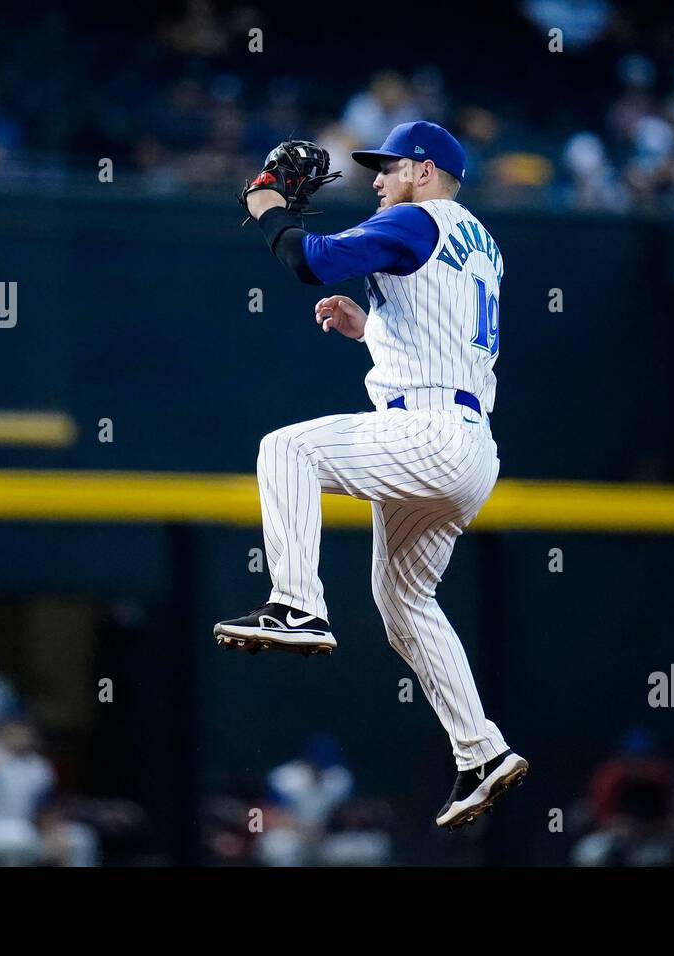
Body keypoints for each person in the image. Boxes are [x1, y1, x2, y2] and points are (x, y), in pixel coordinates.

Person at [215, 121, 527, 829]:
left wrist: (266, 200)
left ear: (422, 170)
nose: (377, 182)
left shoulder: (416, 219)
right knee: (404, 602)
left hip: (428, 432)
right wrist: (373, 330)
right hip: (470, 445)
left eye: (387, 169)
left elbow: (310, 260)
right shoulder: (481, 242)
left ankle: (296, 604)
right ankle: (481, 752)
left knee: (285, 451)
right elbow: (442, 328)